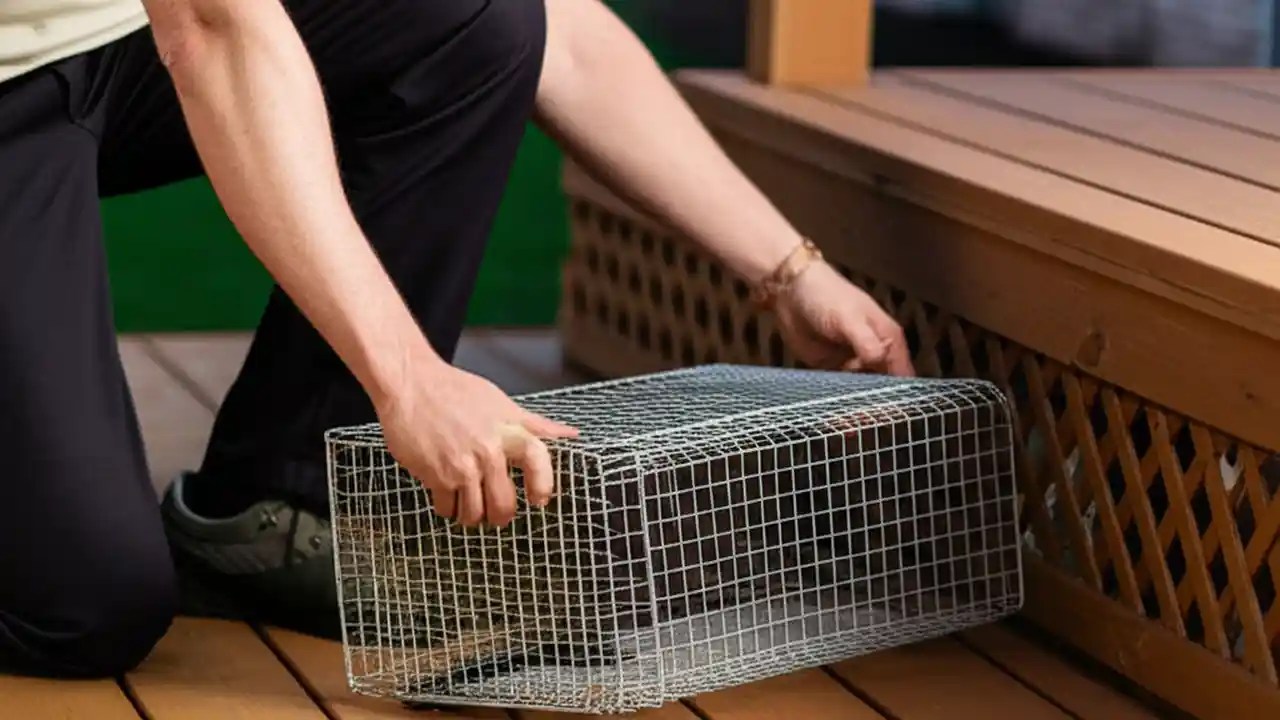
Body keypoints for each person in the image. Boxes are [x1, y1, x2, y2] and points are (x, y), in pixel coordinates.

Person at [0, 0, 914, 679]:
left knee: (474, 19)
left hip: (107, 39)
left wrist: (793, 275)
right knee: (86, 609)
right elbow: (213, 28)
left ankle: (273, 510)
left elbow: (562, 29)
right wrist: (408, 380)